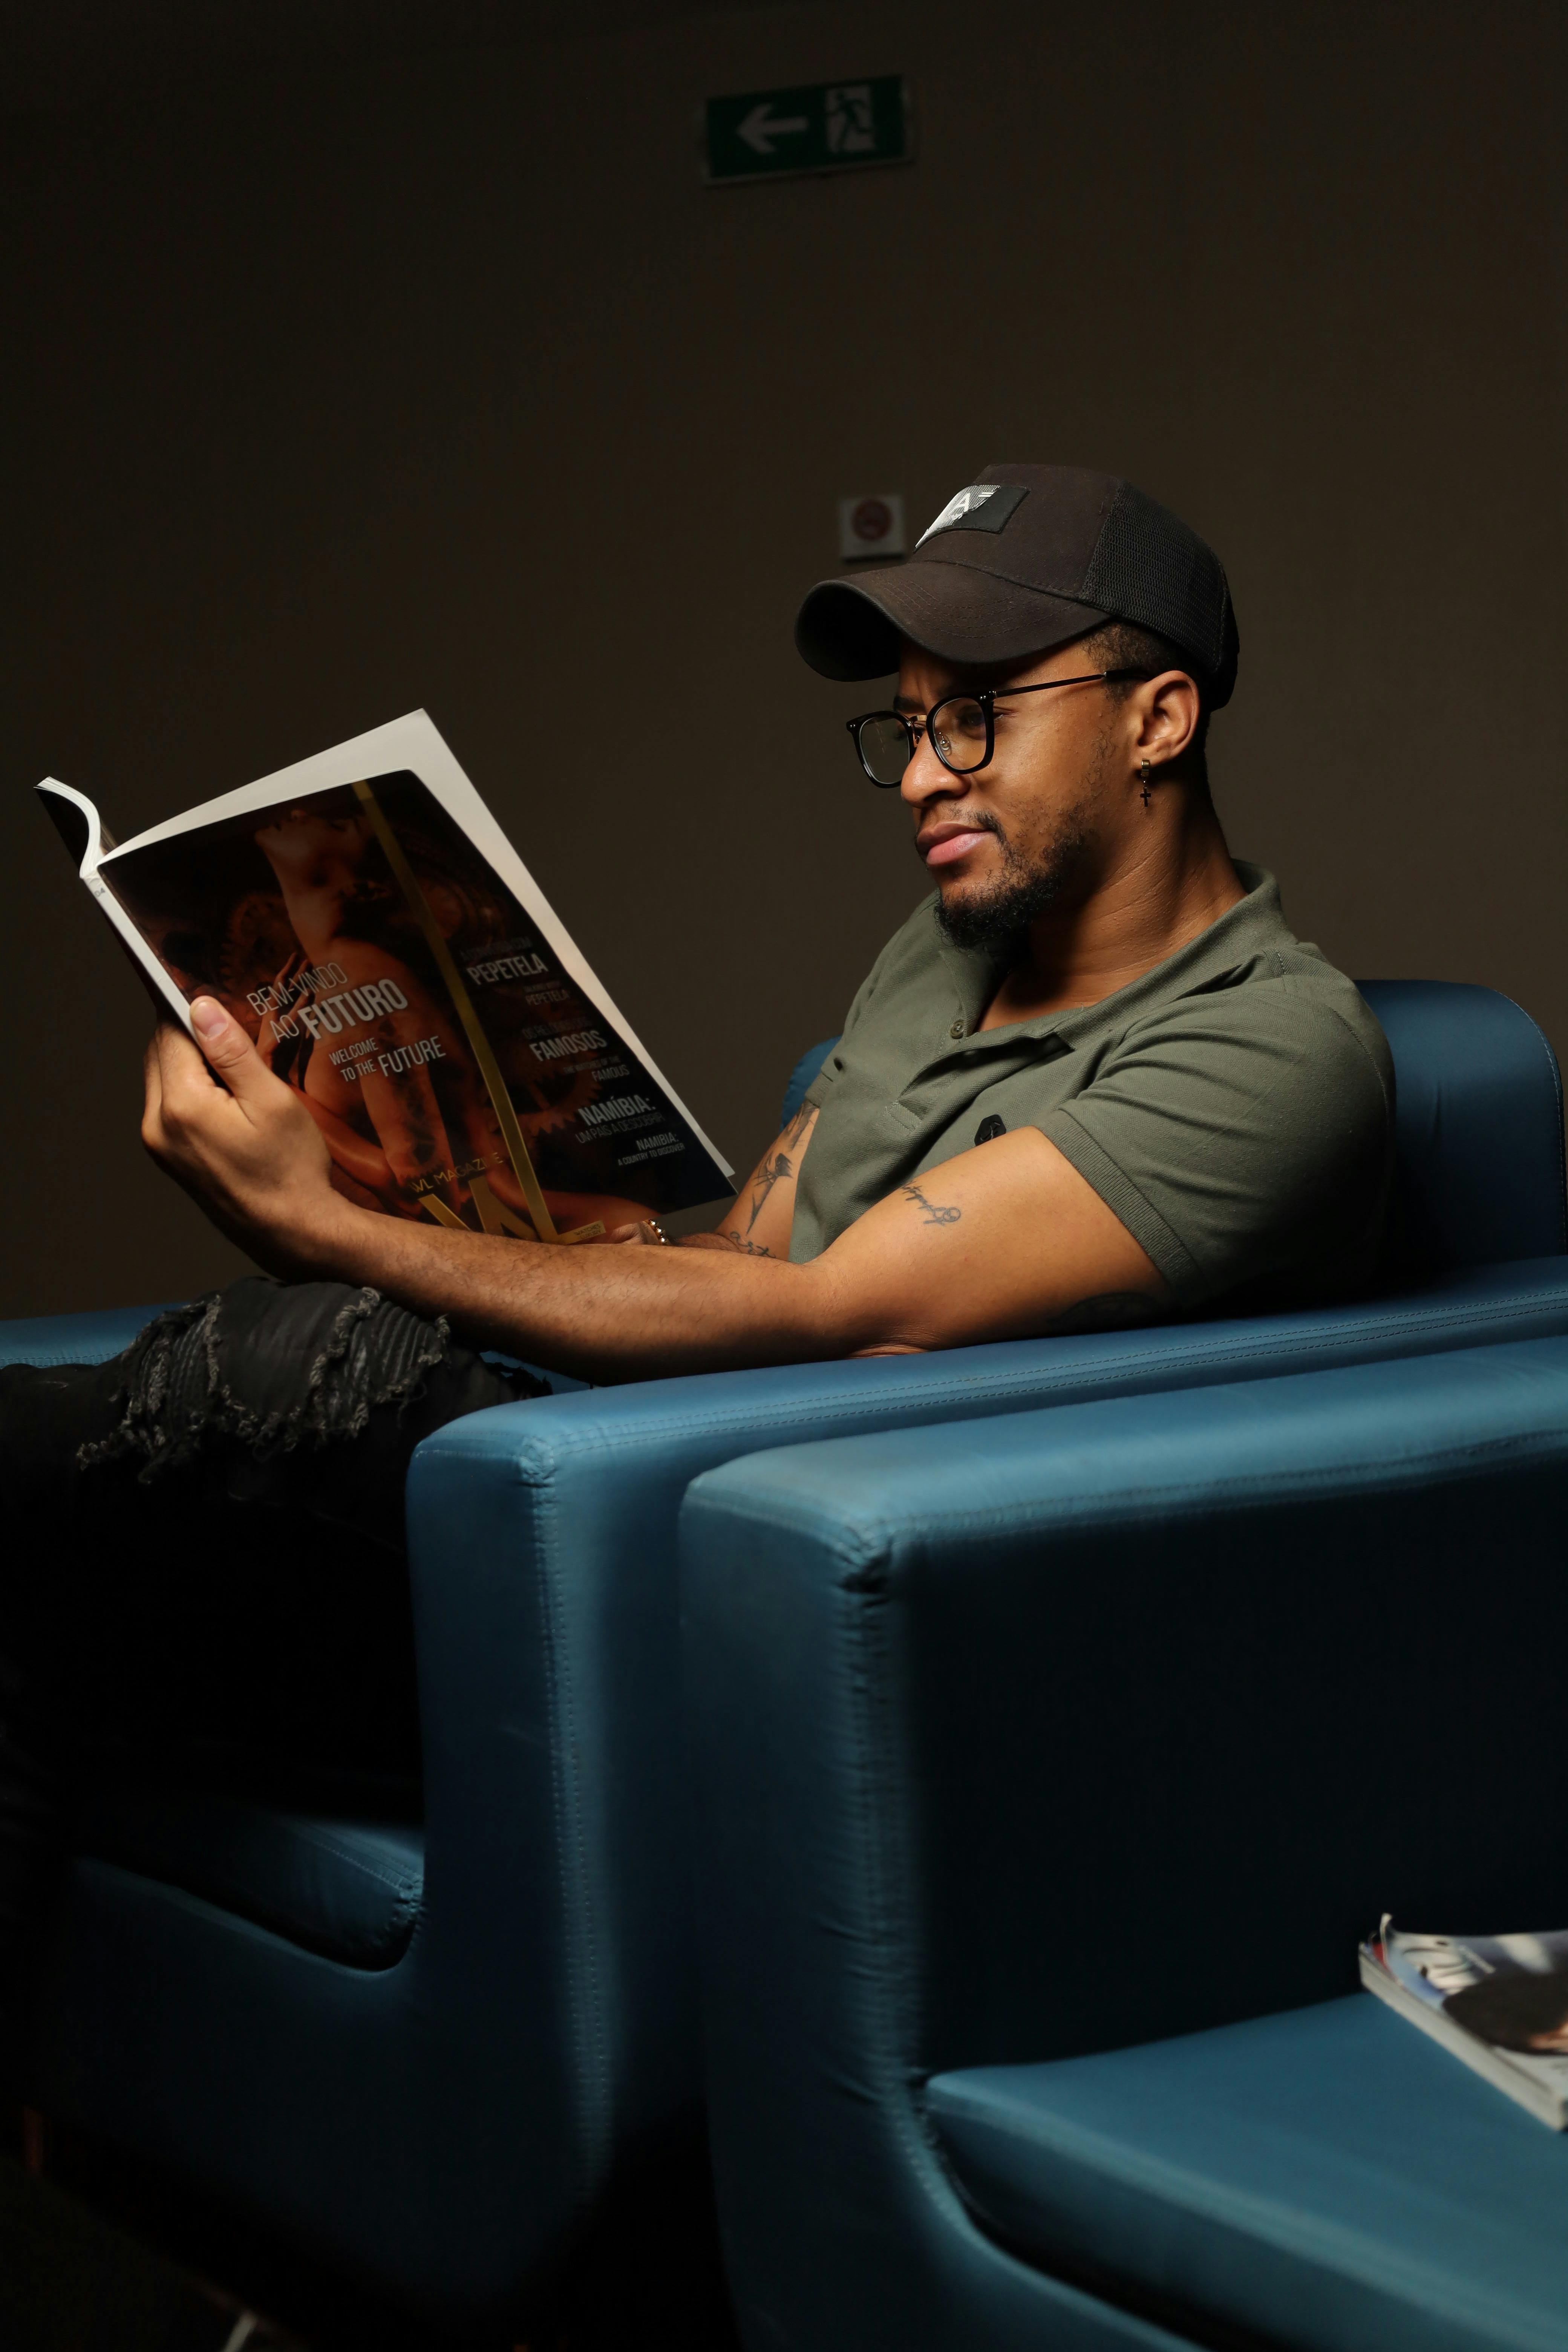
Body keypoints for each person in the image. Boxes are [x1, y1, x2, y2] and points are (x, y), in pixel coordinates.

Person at [0, 463, 1392, 1998]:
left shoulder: (1276, 1047)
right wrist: (410, 1193)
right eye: (911, 726)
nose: (926, 774)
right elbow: (746, 1260)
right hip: (634, 1502)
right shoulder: (948, 950)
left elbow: (844, 1316)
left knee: (272, 1386)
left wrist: (323, 1229)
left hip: (825, 1621)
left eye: (976, 713)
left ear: (1157, 717)